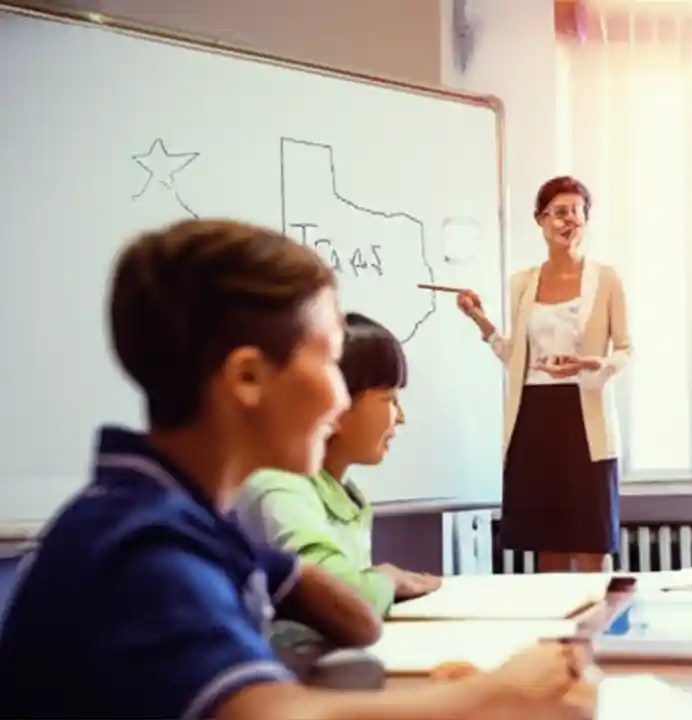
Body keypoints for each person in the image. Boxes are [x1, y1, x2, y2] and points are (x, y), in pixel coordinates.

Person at [0, 220, 590, 719]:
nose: (339, 398)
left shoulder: (192, 521)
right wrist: (491, 694)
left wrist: (291, 576)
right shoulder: (143, 547)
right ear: (248, 379)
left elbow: (355, 622)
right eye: (331, 360)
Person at [457, 176, 631, 573]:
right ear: (541, 220)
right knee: (548, 543)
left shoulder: (606, 279)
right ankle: (551, 632)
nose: (569, 220)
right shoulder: (522, 283)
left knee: (591, 540)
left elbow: (626, 350)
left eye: (577, 212)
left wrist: (596, 365)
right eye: (560, 212)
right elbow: (515, 357)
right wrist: (479, 319)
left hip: (585, 416)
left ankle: (595, 631)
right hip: (534, 415)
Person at [238, 312, 441, 619]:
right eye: (389, 398)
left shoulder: (346, 493)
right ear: (336, 402)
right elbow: (339, 599)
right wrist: (382, 582)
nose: (400, 417)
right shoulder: (279, 485)